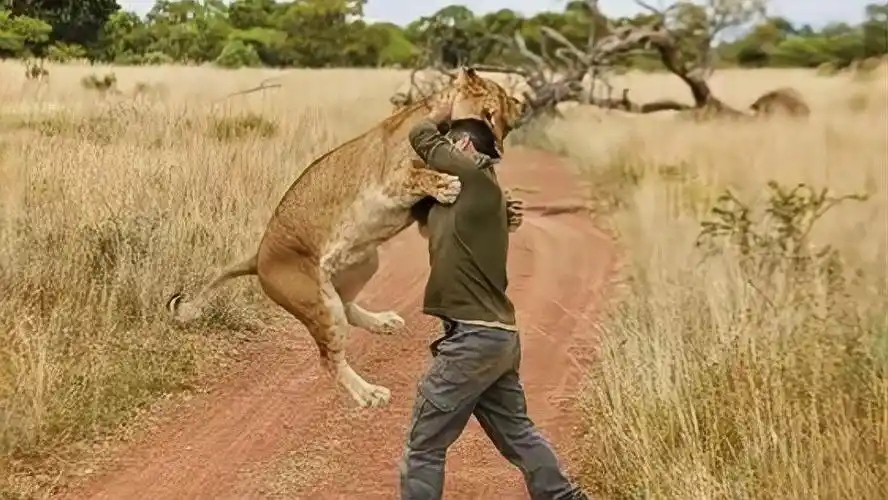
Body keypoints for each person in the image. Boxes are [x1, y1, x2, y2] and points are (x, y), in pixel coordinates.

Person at [399, 97, 590, 500]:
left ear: (465, 149)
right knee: (518, 434)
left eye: (450, 143)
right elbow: (418, 208)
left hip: (472, 339)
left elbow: (420, 134)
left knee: (425, 446)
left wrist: (444, 109)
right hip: (496, 338)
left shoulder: (474, 179)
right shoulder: (469, 196)